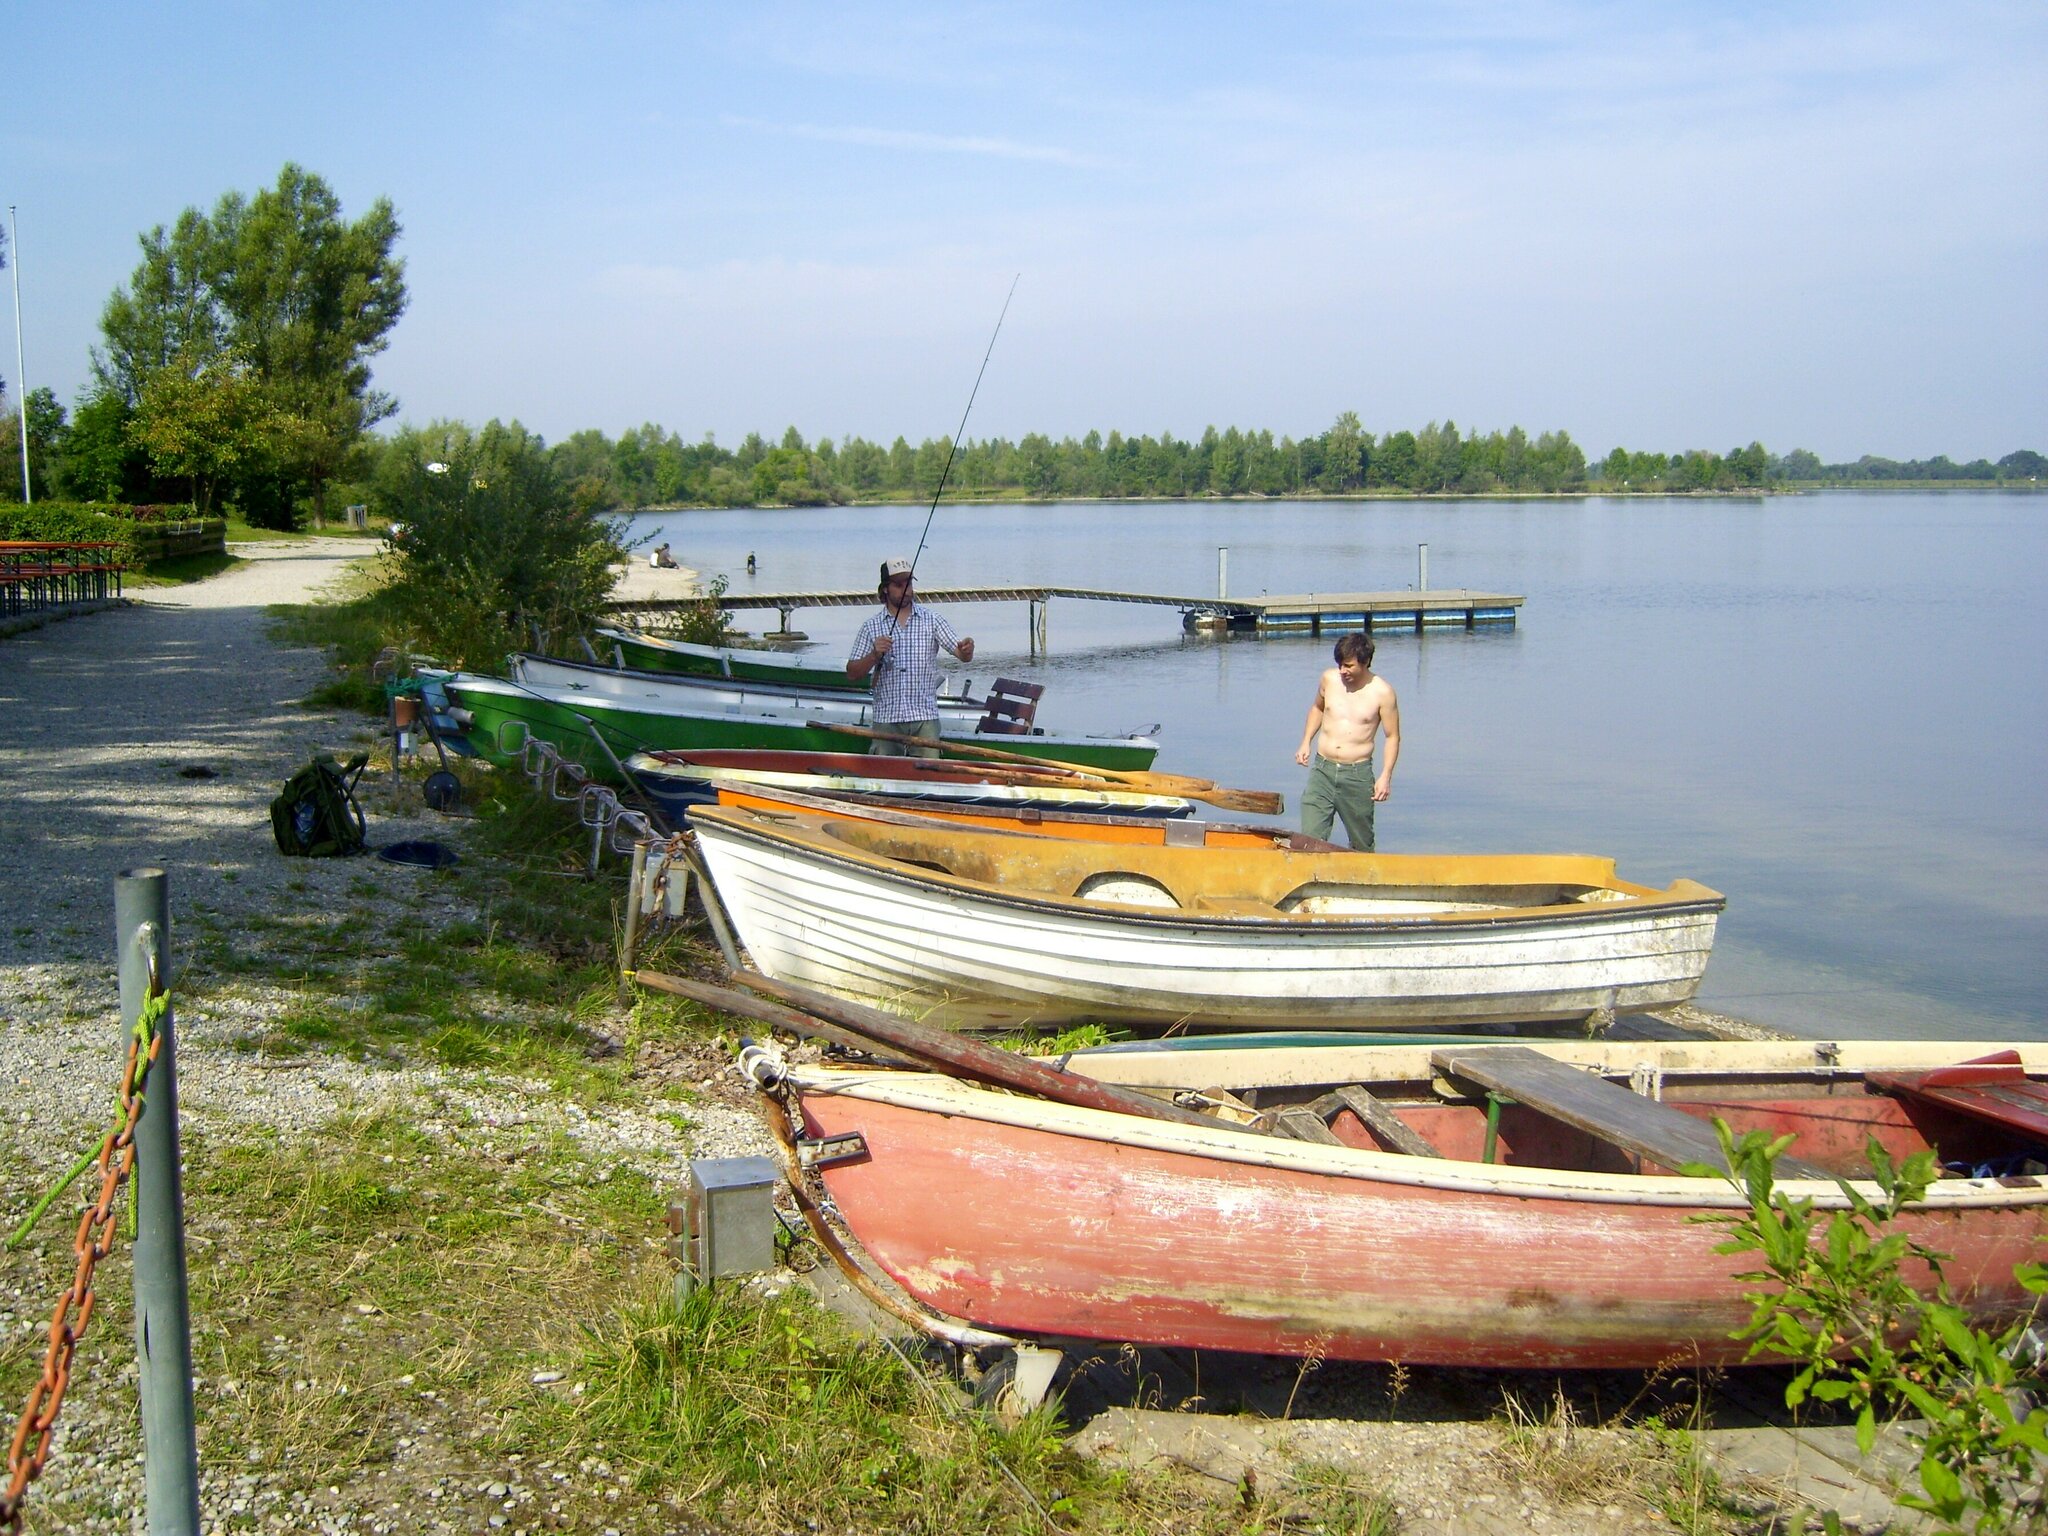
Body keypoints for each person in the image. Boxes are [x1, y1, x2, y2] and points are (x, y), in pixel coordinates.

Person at [847, 557, 974, 757]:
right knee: (884, 778)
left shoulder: (932, 620)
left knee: (930, 775)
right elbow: (852, 673)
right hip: (887, 719)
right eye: (898, 585)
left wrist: (967, 650)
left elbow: (961, 654)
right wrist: (873, 655)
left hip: (925, 718)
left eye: (909, 583)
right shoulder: (870, 627)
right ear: (885, 589)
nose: (906, 590)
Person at [1295, 631, 1400, 850]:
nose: (1343, 671)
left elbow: (1392, 737)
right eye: (1340, 665)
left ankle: (1364, 881)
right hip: (1322, 769)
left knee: (1362, 841)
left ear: (1366, 662)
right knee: (1309, 839)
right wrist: (1306, 741)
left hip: (1357, 774)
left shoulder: (1383, 692)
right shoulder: (1329, 679)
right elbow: (1317, 708)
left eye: (1349, 666)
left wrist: (1385, 776)